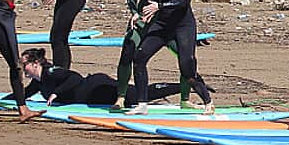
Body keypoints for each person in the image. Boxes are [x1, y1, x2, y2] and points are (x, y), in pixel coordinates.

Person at [115, 0, 204, 108]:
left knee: (185, 57)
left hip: (166, 18)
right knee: (129, 50)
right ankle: (121, 96)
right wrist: (134, 12)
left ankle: (185, 98)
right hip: (144, 16)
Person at [20, 47, 180, 106]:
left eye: (24, 65)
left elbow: (75, 78)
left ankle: (184, 86)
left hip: (96, 88)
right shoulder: (39, 81)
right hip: (93, 97)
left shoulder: (51, 72)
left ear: (35, 63)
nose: (23, 69)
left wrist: (56, 93)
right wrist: (1, 102)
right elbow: (24, 94)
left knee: (139, 95)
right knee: (136, 95)